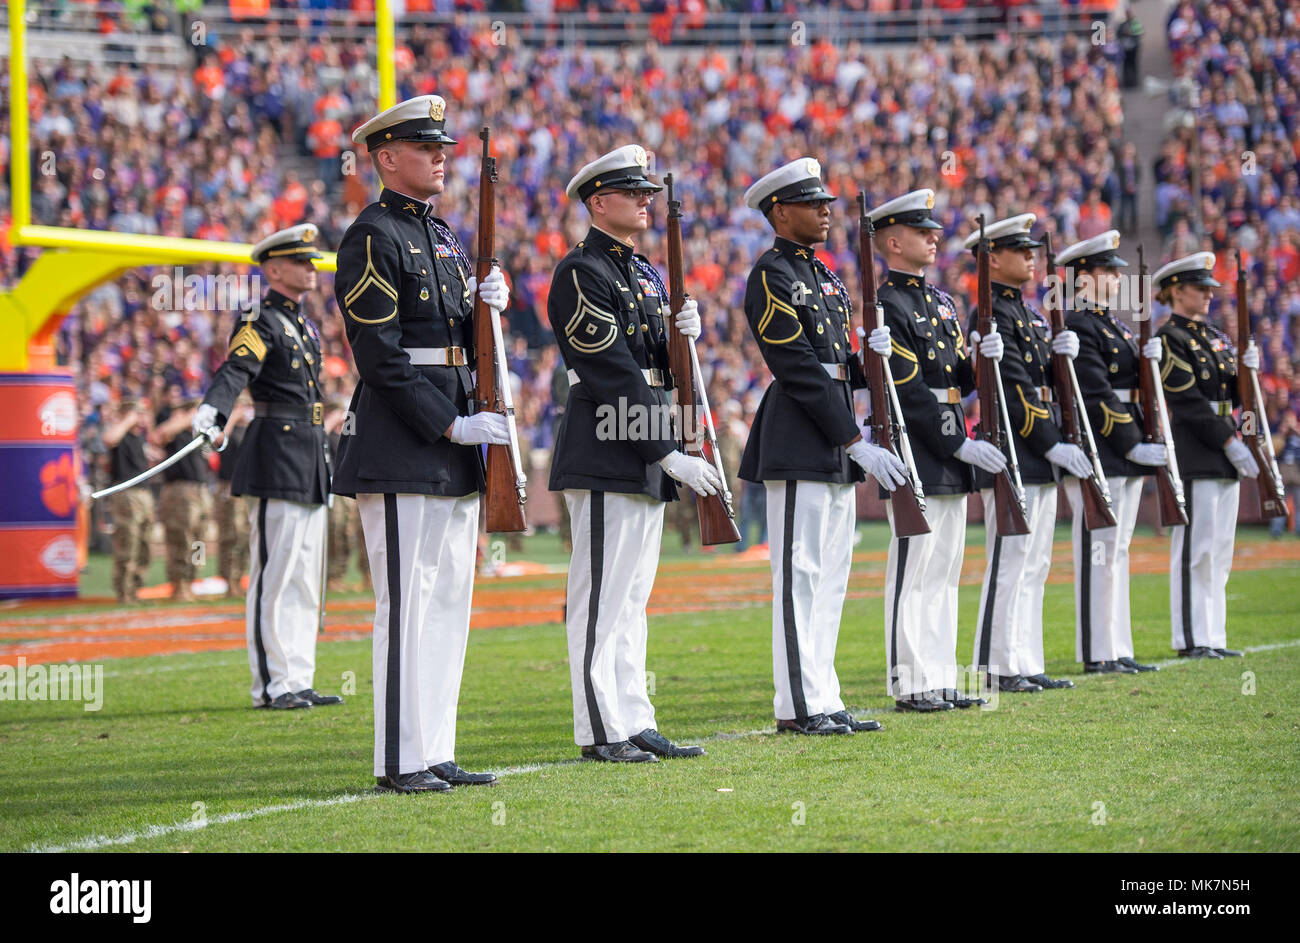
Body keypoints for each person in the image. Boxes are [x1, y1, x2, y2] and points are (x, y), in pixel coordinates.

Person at [333, 95, 509, 793]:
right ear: (385, 157)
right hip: (406, 437)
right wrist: (447, 422)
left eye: (442, 145)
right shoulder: (372, 235)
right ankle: (399, 756)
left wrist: (486, 309)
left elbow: (459, 342)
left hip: (452, 438)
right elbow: (378, 354)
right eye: (424, 145)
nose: (441, 154)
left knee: (447, 601)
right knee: (407, 602)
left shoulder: (443, 238)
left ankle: (434, 745)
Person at [548, 144, 717, 763]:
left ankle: (632, 717)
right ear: (599, 202)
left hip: (642, 445)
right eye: (634, 192)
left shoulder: (643, 273)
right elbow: (612, 371)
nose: (646, 200)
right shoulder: (580, 271)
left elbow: (658, 367)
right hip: (605, 446)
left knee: (631, 597)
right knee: (600, 597)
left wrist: (685, 337)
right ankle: (600, 726)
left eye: (649, 192)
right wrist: (668, 449)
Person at [738, 157, 907, 735]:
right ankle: (799, 705)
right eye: (815, 205)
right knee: (799, 574)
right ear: (780, 212)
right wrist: (854, 438)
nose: (827, 212)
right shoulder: (772, 275)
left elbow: (836, 366)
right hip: (801, 432)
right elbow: (800, 368)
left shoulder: (825, 276)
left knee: (832, 573)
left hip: (833, 433)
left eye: (828, 203)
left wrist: (869, 363)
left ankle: (825, 696)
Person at [194, 223, 342, 710]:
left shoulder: (303, 323)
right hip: (277, 450)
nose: (311, 268)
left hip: (309, 449)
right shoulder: (260, 317)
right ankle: (271, 684)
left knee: (304, 572)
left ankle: (297, 676)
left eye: (311, 261)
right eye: (302, 262)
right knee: (274, 573)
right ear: (274, 268)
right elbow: (237, 368)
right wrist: (213, 410)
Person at [869, 188, 1006, 712]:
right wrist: (957, 441)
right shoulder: (887, 304)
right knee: (914, 570)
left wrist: (983, 359)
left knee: (947, 568)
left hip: (950, 447)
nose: (934, 239)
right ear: (893, 241)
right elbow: (908, 389)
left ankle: (942, 675)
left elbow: (958, 382)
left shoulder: (941, 304)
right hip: (919, 447)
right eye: (922, 232)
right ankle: (911, 681)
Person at [962, 214, 1090, 694]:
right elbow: (1013, 390)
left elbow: (1043, 384)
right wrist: (1052, 442)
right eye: (1022, 251)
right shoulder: (988, 314)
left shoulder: (1032, 315)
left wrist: (1064, 357)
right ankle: (994, 665)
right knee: (1010, 559)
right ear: (992, 259)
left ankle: (1025, 659)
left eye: (1033, 250)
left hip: (1037, 451)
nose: (1032, 257)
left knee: (1035, 562)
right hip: (1016, 447)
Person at [1057, 230, 1167, 674]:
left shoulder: (1110, 323)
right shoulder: (1080, 323)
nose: (1117, 279)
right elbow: (1097, 393)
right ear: (1083, 279)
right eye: (1108, 272)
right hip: (1103, 447)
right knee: (1098, 552)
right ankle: (1097, 650)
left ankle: (1117, 646)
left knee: (1117, 550)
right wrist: (1132, 442)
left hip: (1122, 449)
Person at [1153, 251, 1259, 658]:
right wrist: (1230, 442)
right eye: (1200, 288)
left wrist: (1247, 370)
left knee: (1219, 550)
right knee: (1195, 550)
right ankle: (1191, 638)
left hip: (1224, 445)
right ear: (1176, 292)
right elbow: (1189, 402)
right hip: (1198, 448)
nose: (1209, 296)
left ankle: (1214, 635)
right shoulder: (1170, 338)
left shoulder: (1215, 337)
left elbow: (1236, 397)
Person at [156, 390, 211, 602]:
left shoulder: (196, 434)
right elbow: (158, 435)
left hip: (200, 490)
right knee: (181, 537)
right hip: (180, 490)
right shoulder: (175, 431)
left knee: (200, 540)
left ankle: (192, 580)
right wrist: (187, 416)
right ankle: (178, 584)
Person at [102, 397, 155, 603]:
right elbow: (109, 439)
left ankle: (135, 588)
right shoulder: (120, 433)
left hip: (144, 493)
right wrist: (127, 419)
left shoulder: (139, 438)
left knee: (144, 544)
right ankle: (123, 591)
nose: (143, 418)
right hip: (126, 493)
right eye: (139, 413)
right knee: (128, 542)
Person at [213, 397, 252, 599]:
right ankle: (228, 580)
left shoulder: (251, 429)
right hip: (229, 487)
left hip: (247, 489)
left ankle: (239, 578)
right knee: (231, 535)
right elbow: (218, 440)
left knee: (244, 536)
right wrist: (234, 417)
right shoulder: (228, 429)